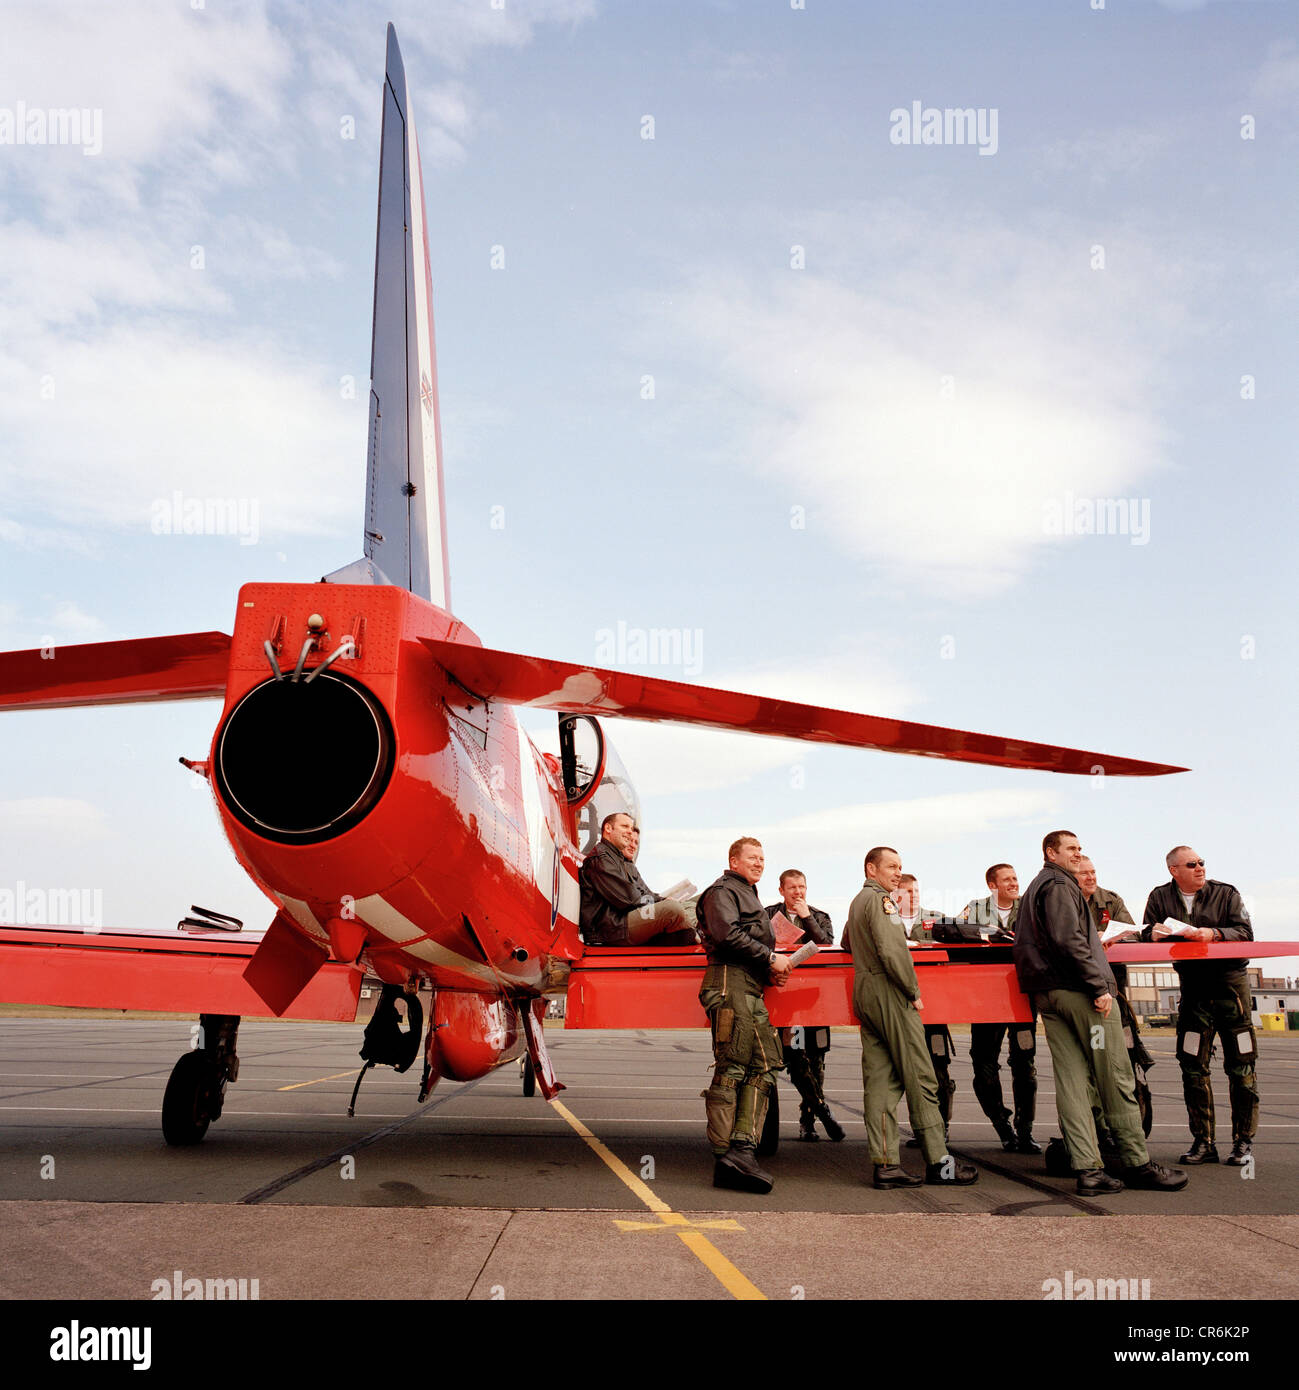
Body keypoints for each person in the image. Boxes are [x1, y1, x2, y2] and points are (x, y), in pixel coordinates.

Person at [1014, 829, 1186, 1195]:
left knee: (1072, 1083)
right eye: (1071, 849)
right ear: (1051, 852)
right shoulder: (1060, 885)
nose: (1078, 854)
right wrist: (1097, 985)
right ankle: (1137, 1163)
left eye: (1080, 848)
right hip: (1080, 994)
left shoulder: (1034, 888)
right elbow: (1069, 939)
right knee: (1116, 1076)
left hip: (1048, 995)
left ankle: (1089, 1170)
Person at [845, 846, 977, 1189]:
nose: (897, 873)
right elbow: (892, 950)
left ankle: (886, 1164)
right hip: (890, 991)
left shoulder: (858, 902)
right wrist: (912, 991)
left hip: (864, 990)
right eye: (891, 866)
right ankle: (938, 1161)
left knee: (881, 1081)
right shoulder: (883, 901)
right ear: (871, 869)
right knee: (921, 1077)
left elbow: (847, 941)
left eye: (900, 867)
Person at [1141, 846, 1257, 1166]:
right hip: (1193, 993)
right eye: (1192, 864)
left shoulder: (1226, 894)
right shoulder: (1159, 897)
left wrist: (1212, 934)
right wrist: (1154, 934)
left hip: (1231, 991)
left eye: (1202, 863)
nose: (1200, 868)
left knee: (1241, 1067)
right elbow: (1147, 931)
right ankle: (1203, 1142)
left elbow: (1245, 932)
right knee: (1192, 1067)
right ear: (1174, 870)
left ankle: (1243, 1143)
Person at [698, 837, 791, 1193]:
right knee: (733, 1064)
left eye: (763, 858)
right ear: (733, 860)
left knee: (765, 1064)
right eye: (752, 857)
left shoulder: (748, 894)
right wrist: (770, 959)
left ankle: (743, 1148)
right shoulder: (722, 891)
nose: (760, 863)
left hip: (750, 985)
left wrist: (770, 970)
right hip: (728, 982)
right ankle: (725, 1156)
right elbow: (726, 935)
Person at [962, 864, 1039, 1154]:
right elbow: (956, 933)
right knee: (984, 1066)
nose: (1014, 883)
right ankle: (1002, 1126)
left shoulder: (1030, 906)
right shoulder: (975, 909)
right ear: (992, 885)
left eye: (1015, 878)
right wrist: (989, 936)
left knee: (1024, 1066)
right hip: (987, 1001)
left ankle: (1025, 1130)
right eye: (1007, 880)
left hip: (1022, 997)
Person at [1076, 856, 1155, 1139]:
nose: (1090, 877)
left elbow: (1134, 934)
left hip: (1115, 993)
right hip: (1079, 993)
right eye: (1084, 873)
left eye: (1093, 872)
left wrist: (1111, 937)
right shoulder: (1063, 902)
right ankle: (1096, 1130)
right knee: (1087, 1064)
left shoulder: (1110, 900)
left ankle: (1130, 1129)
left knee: (1125, 1059)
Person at [764, 870, 843, 1142]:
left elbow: (826, 944)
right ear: (781, 890)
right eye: (792, 887)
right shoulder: (767, 914)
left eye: (802, 887)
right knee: (795, 1056)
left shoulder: (820, 916)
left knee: (816, 1061)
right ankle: (821, 1110)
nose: (798, 892)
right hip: (784, 999)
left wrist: (807, 917)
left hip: (813, 999)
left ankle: (808, 1120)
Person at [897, 874, 957, 1145]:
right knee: (906, 1073)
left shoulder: (937, 919)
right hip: (899, 1007)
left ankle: (940, 1127)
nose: (914, 894)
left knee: (938, 1071)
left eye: (917, 889)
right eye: (908, 890)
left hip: (932, 1010)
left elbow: (955, 951)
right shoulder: (886, 920)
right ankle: (922, 1129)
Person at [578, 812, 695, 946]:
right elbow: (629, 899)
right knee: (673, 909)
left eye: (631, 828)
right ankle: (693, 933)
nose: (629, 831)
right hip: (610, 929)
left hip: (622, 921)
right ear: (608, 829)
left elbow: (645, 894)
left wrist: (661, 900)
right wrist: (661, 903)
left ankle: (687, 933)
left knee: (689, 907)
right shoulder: (600, 858)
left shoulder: (620, 859)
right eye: (624, 826)